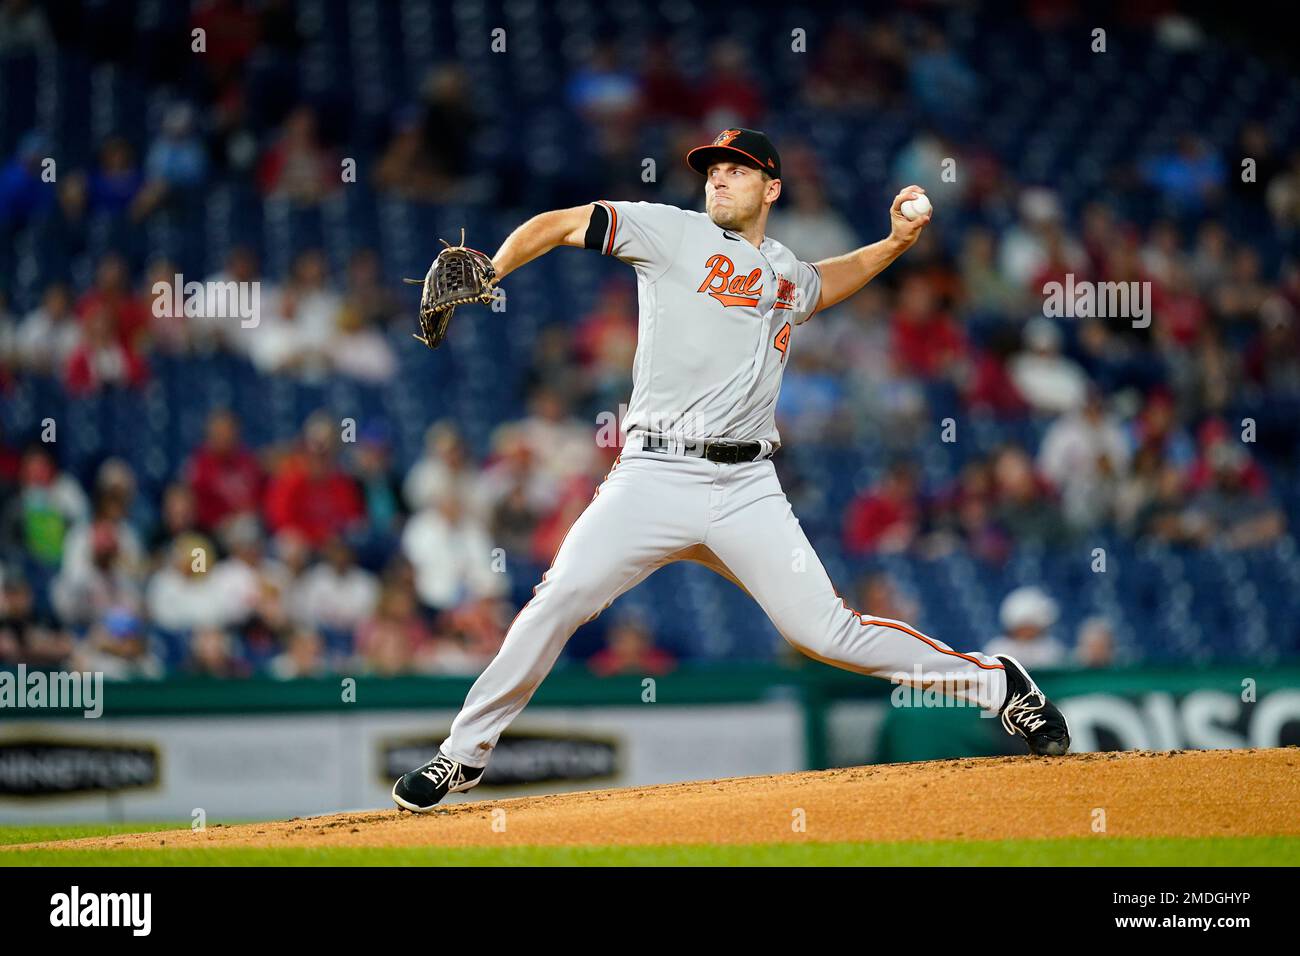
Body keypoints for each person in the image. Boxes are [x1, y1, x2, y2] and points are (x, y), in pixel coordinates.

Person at [392, 127, 1070, 814]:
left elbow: (824, 284)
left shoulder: (785, 270)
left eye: (737, 170)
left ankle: (1000, 684)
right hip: (653, 476)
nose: (718, 178)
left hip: (748, 486)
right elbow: (561, 223)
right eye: (713, 169)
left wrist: (894, 244)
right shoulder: (669, 233)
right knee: (558, 598)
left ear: (771, 188)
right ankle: (462, 756)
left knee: (825, 634)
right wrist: (495, 268)